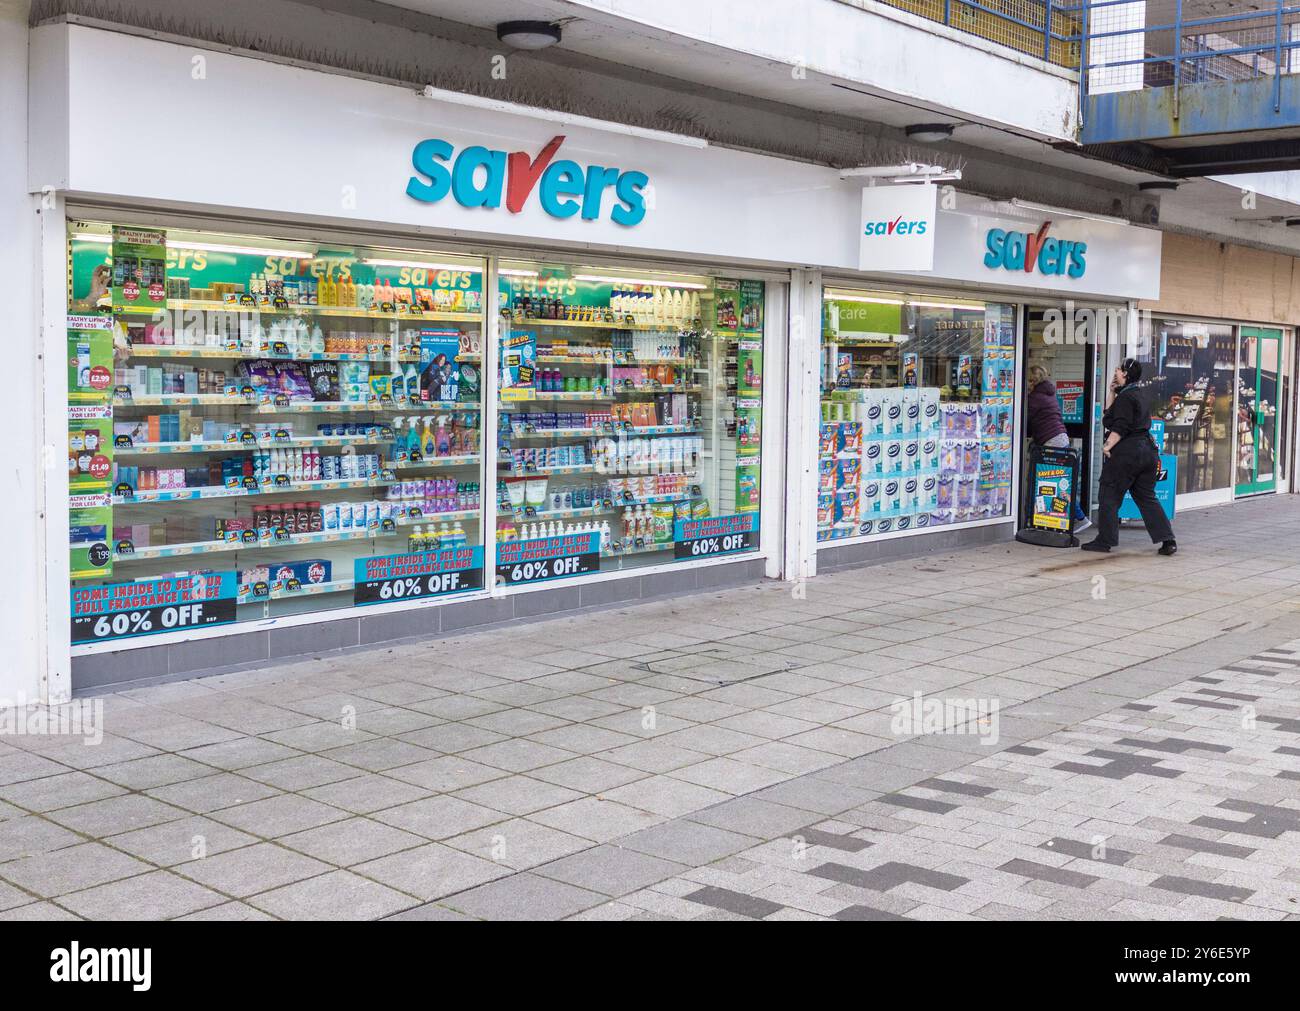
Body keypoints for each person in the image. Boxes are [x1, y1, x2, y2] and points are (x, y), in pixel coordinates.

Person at [1082, 358, 1177, 555]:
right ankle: (1168, 540)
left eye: (1118, 369)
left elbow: (1119, 426)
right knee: (1146, 497)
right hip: (1148, 452)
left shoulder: (1126, 398)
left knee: (1108, 493)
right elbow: (1109, 417)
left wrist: (1108, 446)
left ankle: (1104, 540)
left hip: (1128, 453)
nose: (1115, 371)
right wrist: (1112, 391)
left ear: (1125, 374)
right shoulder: (1136, 394)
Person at [1025, 364, 1090, 531]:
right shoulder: (1049, 392)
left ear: (1032, 381)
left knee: (1050, 481)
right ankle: (1049, 518)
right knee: (1056, 481)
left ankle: (1079, 517)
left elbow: (1022, 415)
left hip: (1051, 441)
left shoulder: (1035, 398)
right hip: (1060, 438)